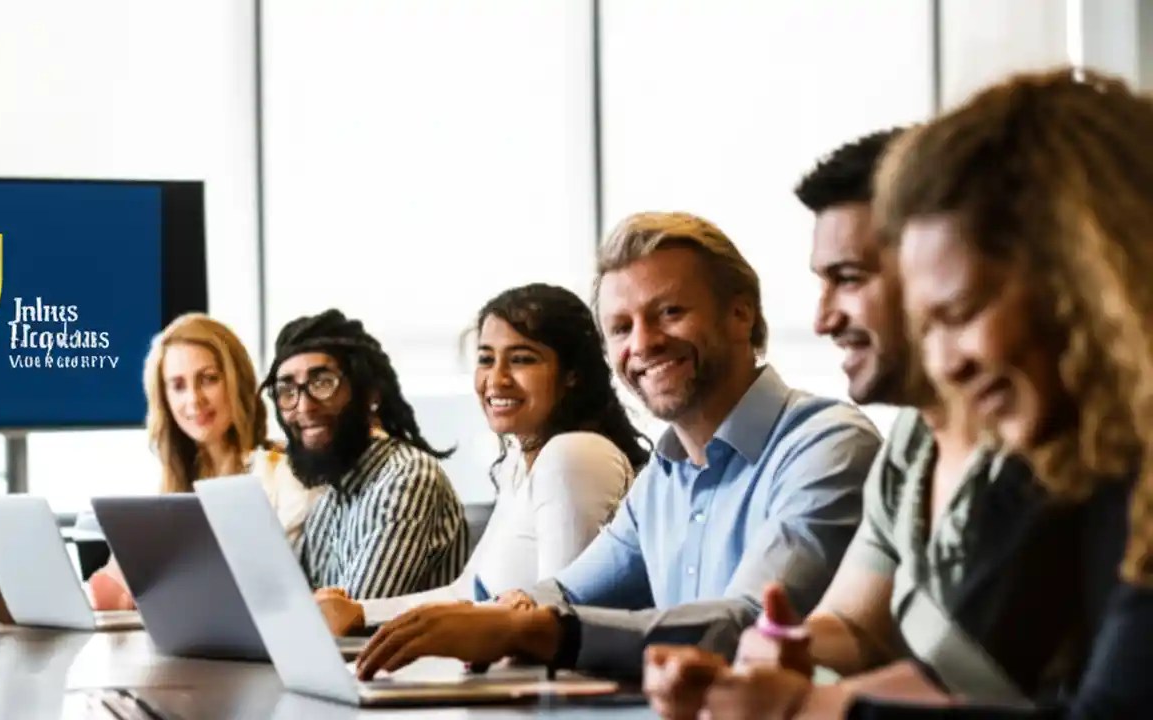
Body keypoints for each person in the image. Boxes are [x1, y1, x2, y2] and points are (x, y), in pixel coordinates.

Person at [647, 68, 1153, 719]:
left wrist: (808, 709)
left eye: (962, 312)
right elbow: (959, 677)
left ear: (1091, 280)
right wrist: (771, 695)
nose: (945, 362)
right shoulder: (1080, 457)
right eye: (927, 323)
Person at [353, 211, 881, 680]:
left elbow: (749, 626)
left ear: (741, 315)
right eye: (621, 327)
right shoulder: (665, 476)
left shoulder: (827, 446)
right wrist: (504, 613)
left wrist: (534, 631)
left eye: (670, 312)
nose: (643, 343)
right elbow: (568, 591)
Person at [315, 283, 649, 634]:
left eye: (521, 359)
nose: (496, 379)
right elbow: (466, 592)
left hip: (540, 681)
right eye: (486, 359)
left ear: (572, 375)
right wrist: (357, 612)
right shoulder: (518, 463)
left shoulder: (574, 455)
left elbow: (556, 618)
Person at [0, 313, 321, 619]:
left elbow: (278, 596)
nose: (194, 400)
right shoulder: (177, 490)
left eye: (208, 378)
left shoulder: (283, 477)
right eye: (178, 385)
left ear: (237, 381)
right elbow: (111, 587)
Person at [262, 308, 468, 599]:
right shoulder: (329, 500)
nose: (304, 407)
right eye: (288, 390)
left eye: (322, 383)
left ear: (369, 394)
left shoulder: (407, 477)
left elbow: (353, 618)